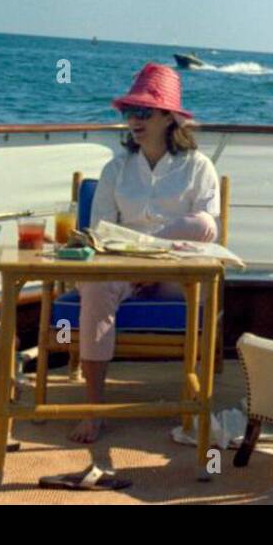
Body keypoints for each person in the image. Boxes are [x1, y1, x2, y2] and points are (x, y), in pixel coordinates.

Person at [69, 63, 219, 444]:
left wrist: (154, 255)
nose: (133, 120)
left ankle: (149, 255)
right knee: (96, 287)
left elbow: (207, 230)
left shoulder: (198, 167)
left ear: (169, 118)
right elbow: (100, 230)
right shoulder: (115, 169)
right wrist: (130, 260)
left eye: (144, 112)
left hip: (175, 272)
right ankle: (94, 410)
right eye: (128, 112)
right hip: (121, 267)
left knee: (200, 223)